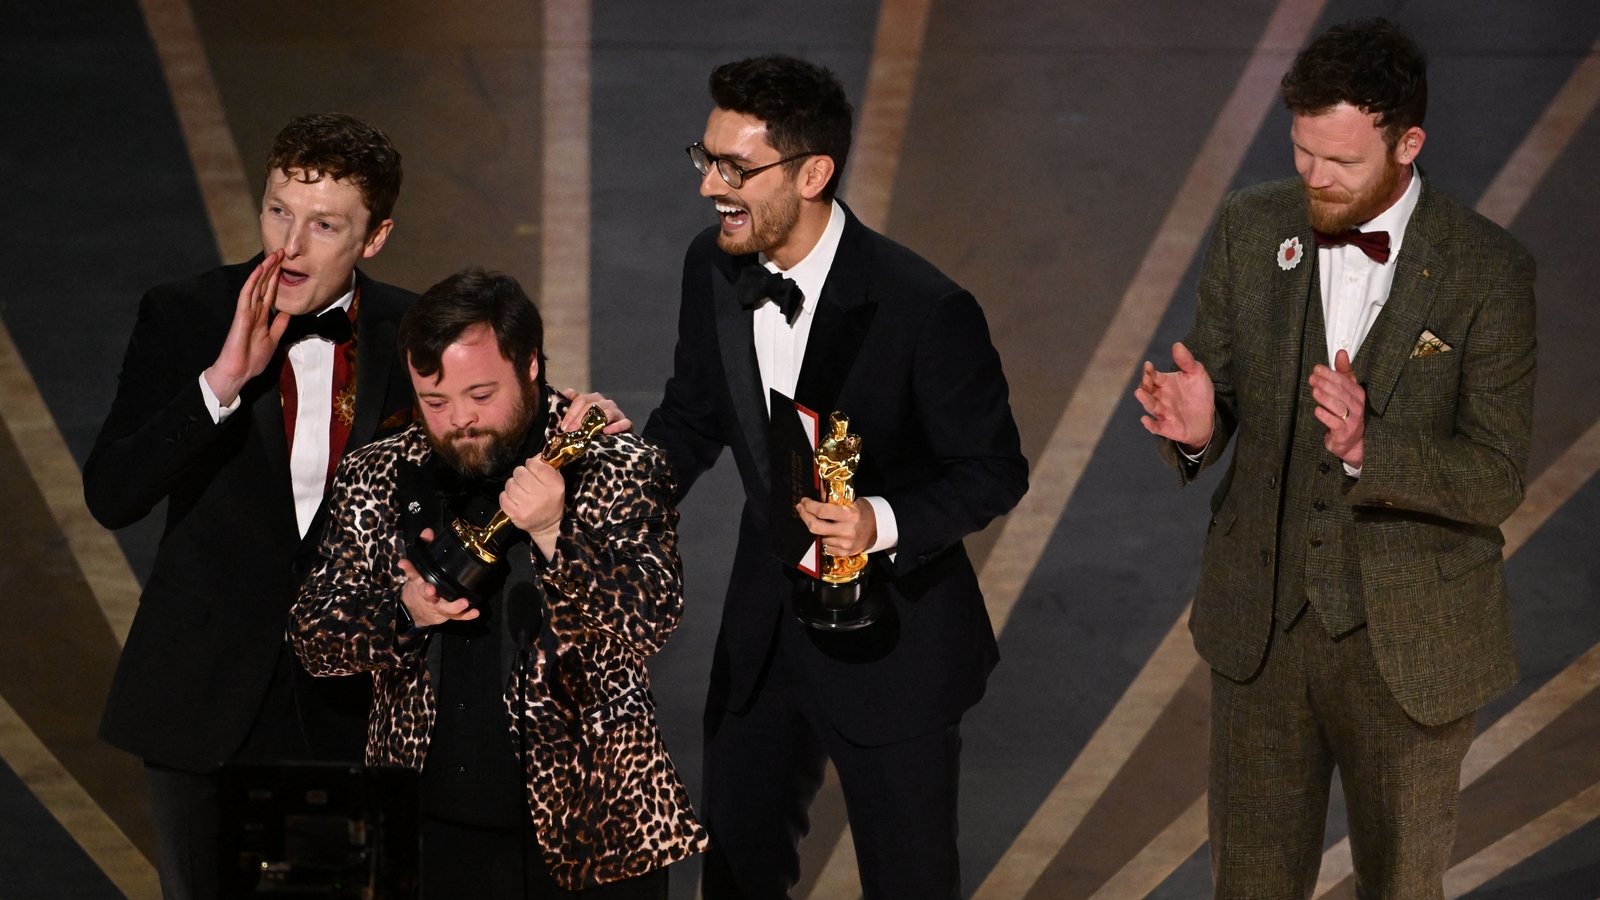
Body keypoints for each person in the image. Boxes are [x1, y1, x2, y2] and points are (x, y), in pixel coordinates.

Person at [1135, 18, 1535, 899]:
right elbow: (1220, 382)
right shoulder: (1252, 227)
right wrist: (1200, 424)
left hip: (1410, 645)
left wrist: (1370, 449)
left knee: (1399, 885)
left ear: (1408, 144)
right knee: (1250, 884)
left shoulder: (1487, 271)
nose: (1314, 177)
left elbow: (1497, 474)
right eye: (1303, 152)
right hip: (1262, 632)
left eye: (1342, 162)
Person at [642, 55, 1028, 897]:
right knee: (737, 872)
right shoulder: (710, 269)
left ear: (812, 172)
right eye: (705, 159)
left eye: (735, 168)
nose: (711, 186)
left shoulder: (925, 308)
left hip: (894, 640)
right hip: (763, 630)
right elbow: (693, 417)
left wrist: (878, 523)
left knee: (909, 880)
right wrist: (612, 495)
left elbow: (993, 470)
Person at [291, 269, 707, 898]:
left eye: (481, 394)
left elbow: (651, 619)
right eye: (435, 401)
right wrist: (402, 613)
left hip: (596, 825)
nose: (459, 418)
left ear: (531, 365)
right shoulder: (379, 472)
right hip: (427, 831)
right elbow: (313, 635)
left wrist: (555, 534)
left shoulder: (617, 464)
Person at [83, 112, 413, 898]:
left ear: (374, 238)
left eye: (323, 225)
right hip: (202, 692)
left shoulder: (419, 330)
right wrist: (220, 384)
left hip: (346, 699)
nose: (288, 247)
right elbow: (112, 494)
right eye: (277, 212)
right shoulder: (187, 314)